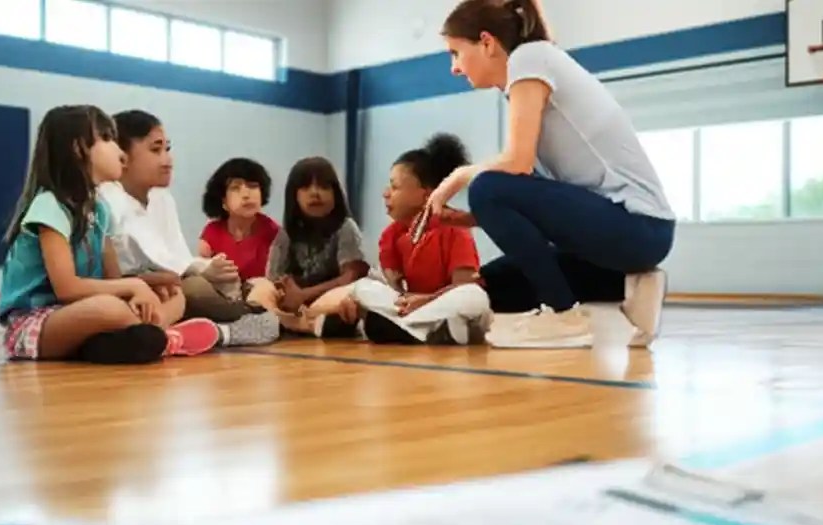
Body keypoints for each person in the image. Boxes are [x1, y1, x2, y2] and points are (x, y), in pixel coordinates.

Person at [430, 0, 673, 349]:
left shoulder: (529, 59)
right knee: (498, 279)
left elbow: (516, 163)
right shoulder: (528, 73)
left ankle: (564, 315)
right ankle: (631, 286)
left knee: (485, 187)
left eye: (455, 53)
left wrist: (457, 177)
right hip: (628, 235)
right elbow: (541, 196)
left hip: (637, 226)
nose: (454, 67)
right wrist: (473, 219)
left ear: (486, 42)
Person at [0, 105, 220, 363]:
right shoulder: (50, 205)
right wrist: (134, 286)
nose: (119, 150)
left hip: (80, 313)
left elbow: (112, 279)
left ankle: (134, 339)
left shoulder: (100, 210)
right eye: (107, 138)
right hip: (38, 322)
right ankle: (161, 336)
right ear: (79, 148)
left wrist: (148, 285)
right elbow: (67, 288)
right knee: (109, 308)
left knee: (173, 293)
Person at [97, 110, 280, 346]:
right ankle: (220, 327)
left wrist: (209, 269)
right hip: (136, 291)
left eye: (167, 149)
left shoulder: (162, 198)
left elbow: (177, 257)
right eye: (156, 150)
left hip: (168, 287)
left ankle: (211, 328)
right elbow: (115, 273)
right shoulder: (108, 200)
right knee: (194, 290)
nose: (167, 159)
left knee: (210, 288)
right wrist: (177, 276)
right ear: (123, 157)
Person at [335, 133, 493, 345]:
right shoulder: (390, 235)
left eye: (395, 186)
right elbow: (396, 291)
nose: (385, 193)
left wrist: (426, 301)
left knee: (474, 296)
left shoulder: (455, 228)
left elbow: (463, 285)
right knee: (363, 287)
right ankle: (431, 331)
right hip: (413, 310)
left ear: (426, 195)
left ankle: (412, 330)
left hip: (444, 306)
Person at [262, 156, 370, 336]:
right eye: (305, 187)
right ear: (294, 195)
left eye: (324, 187)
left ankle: (298, 324)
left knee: (346, 300)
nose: (315, 193)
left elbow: (351, 277)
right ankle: (299, 323)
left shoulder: (345, 227)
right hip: (294, 305)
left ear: (336, 194)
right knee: (260, 289)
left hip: (329, 299)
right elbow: (273, 278)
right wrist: (287, 293)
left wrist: (304, 294)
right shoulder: (286, 233)